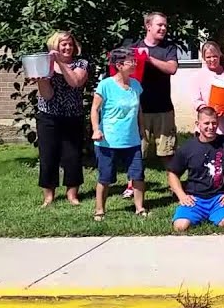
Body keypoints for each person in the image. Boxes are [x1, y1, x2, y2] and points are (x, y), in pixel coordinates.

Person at [120, 12, 179, 198]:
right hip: (138, 109)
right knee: (136, 150)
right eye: (159, 25)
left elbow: (172, 68)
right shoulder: (133, 47)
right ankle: (131, 185)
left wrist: (149, 59)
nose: (163, 28)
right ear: (148, 26)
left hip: (163, 108)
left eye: (165, 25)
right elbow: (120, 70)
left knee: (167, 151)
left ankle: (174, 185)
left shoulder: (168, 48)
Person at [167, 107, 224, 232]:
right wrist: (182, 196)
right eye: (206, 123)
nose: (211, 127)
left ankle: (221, 213)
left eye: (214, 123)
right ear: (198, 125)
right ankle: (197, 215)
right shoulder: (187, 148)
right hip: (195, 199)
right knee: (180, 226)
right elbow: (172, 173)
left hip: (220, 198)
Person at [33, 30, 88, 207]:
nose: (67, 47)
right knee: (48, 155)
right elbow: (47, 95)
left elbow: (75, 82)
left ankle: (72, 195)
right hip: (48, 115)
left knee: (72, 155)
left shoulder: (81, 63)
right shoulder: (45, 64)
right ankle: (49, 196)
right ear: (54, 45)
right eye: (63, 44)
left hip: (73, 116)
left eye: (70, 44)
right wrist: (41, 79)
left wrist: (60, 63)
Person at [91, 48, 145, 221]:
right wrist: (95, 129)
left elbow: (139, 110)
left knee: (137, 175)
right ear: (119, 65)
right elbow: (94, 109)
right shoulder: (105, 85)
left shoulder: (136, 85)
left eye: (134, 61)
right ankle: (100, 210)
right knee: (105, 177)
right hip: (108, 141)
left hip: (132, 140)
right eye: (131, 61)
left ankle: (140, 208)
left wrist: (142, 128)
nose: (135, 64)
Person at [190, 41, 224, 144]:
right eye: (208, 57)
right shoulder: (198, 76)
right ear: (204, 57)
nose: (212, 60)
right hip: (208, 125)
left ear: (220, 55)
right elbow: (196, 100)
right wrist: (210, 113)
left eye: (215, 56)